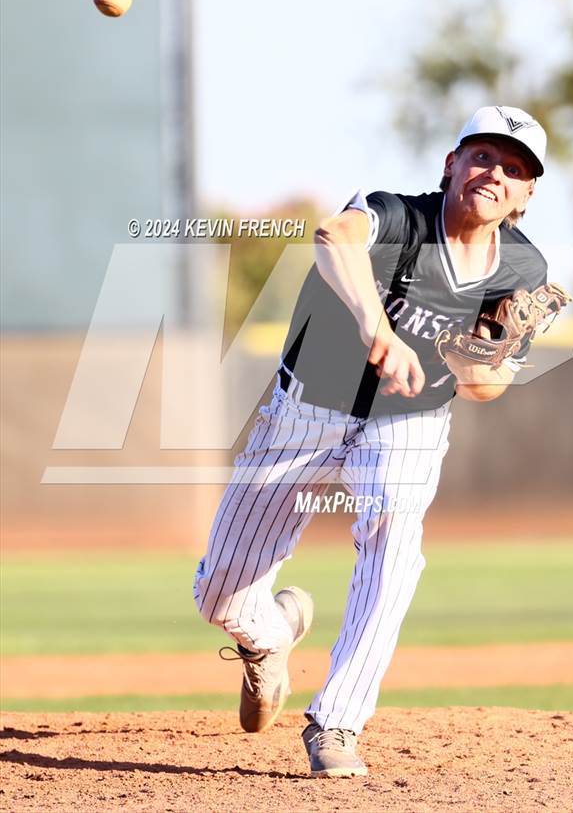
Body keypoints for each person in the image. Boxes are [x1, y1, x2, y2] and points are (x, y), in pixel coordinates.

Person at [193, 105, 549, 778]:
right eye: (481, 155)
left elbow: (485, 384)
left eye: (514, 168)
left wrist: (483, 365)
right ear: (451, 164)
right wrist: (374, 327)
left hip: (408, 418)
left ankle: (337, 721)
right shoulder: (397, 216)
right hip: (305, 408)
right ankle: (269, 637)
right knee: (218, 595)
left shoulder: (522, 269)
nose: (494, 173)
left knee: (393, 522)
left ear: (527, 195)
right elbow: (334, 237)